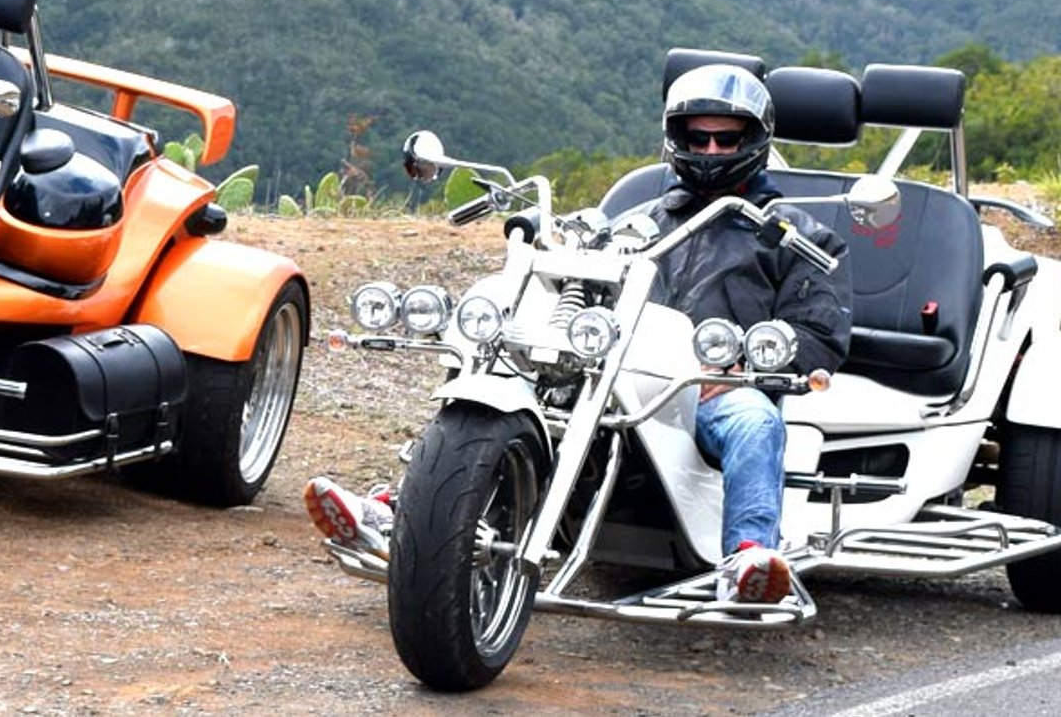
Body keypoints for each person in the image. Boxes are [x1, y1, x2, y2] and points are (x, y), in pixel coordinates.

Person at [304, 63, 852, 605]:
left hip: (706, 388)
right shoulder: (638, 220)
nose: (709, 150)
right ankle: (403, 511)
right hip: (614, 375)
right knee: (504, 386)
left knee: (756, 419)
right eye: (696, 137)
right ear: (675, 138)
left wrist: (741, 371)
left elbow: (822, 333)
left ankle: (748, 557)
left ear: (754, 140)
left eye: (725, 139)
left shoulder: (798, 234)